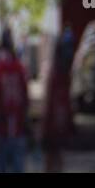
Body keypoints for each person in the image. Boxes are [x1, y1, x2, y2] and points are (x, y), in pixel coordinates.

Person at [0, 29, 30, 173]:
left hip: (2, 126)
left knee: (2, 166)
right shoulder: (20, 69)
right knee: (18, 166)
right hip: (17, 125)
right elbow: (25, 98)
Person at [41, 27, 75, 173]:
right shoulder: (59, 76)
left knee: (54, 155)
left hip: (56, 120)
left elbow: (53, 101)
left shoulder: (59, 76)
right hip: (56, 119)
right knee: (54, 155)